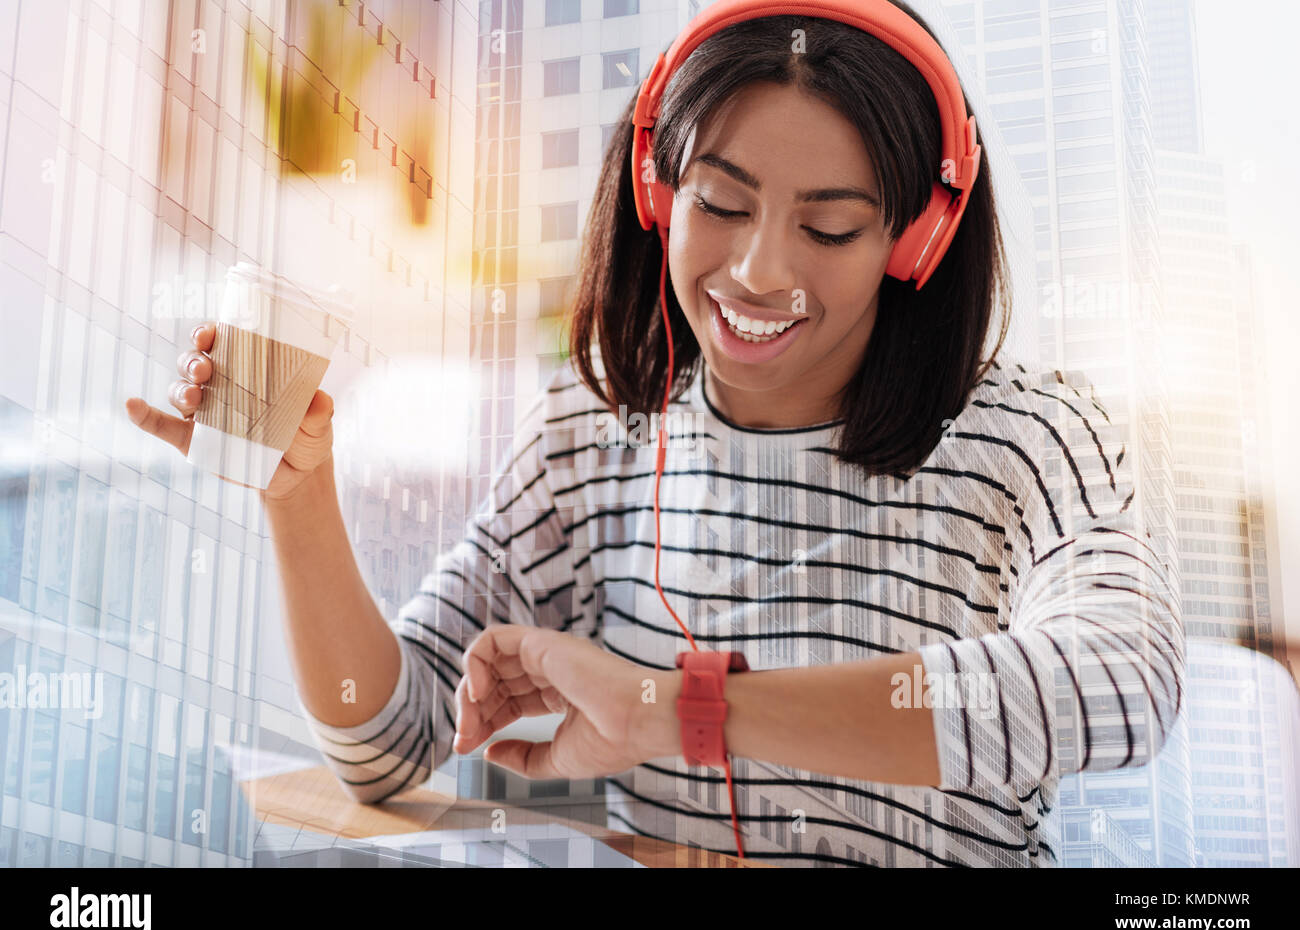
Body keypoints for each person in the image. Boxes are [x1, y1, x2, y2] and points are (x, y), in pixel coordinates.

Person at [127, 4, 1184, 867]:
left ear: (916, 238)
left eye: (827, 227)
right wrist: (296, 497)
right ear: (655, 188)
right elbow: (388, 744)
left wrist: (683, 710)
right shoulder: (589, 438)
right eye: (720, 203)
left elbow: (1120, 684)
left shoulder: (1030, 437)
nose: (760, 270)